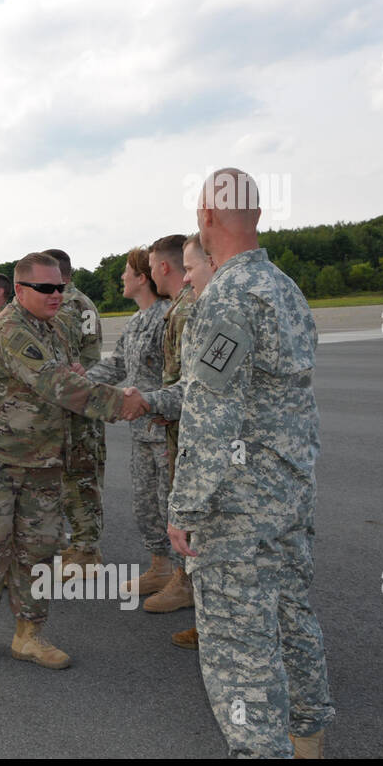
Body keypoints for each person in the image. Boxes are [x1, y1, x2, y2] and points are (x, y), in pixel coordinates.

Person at [149, 168, 333, 758]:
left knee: (237, 643)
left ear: (206, 218)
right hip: (288, 488)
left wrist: (185, 505)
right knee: (289, 614)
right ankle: (307, 737)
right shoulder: (284, 287)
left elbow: (210, 410)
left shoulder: (227, 294)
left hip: (238, 500)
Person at [0, 253, 146, 668]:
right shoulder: (9, 327)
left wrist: (80, 377)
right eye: (46, 288)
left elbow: (70, 374)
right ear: (21, 291)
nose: (57, 294)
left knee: (38, 550)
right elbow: (53, 382)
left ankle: (30, 634)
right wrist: (124, 403)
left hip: (43, 460)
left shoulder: (58, 328)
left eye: (60, 286)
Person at [85, 247, 174, 601]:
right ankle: (161, 567)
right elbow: (117, 364)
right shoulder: (137, 321)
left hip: (165, 428)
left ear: (142, 277)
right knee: (145, 505)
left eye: (126, 272)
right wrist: (77, 388)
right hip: (142, 433)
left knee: (171, 506)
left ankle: (185, 579)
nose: (121, 277)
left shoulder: (167, 317)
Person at [159, 233, 218, 650]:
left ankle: (215, 625)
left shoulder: (206, 311)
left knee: (210, 538)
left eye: (192, 268)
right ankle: (211, 616)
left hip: (208, 447)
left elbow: (199, 394)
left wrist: (149, 402)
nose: (186, 278)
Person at [140, 233, 196, 614]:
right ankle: (186, 579)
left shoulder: (187, 308)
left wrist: (154, 401)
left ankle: (191, 584)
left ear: (162, 266)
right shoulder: (175, 307)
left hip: (190, 427)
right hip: (175, 421)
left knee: (190, 512)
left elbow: (194, 382)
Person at [47, 249, 106, 578]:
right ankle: (86, 546)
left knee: (77, 478)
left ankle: (87, 551)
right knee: (83, 476)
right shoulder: (82, 301)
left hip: (74, 403)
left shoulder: (66, 305)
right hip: (85, 400)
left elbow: (62, 358)